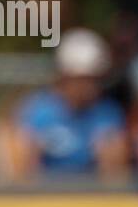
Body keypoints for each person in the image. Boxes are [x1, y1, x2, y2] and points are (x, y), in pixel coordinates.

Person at [9, 28, 128, 178]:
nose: (89, 86)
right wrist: (30, 153)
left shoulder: (108, 114)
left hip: (92, 198)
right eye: (83, 79)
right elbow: (20, 172)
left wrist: (109, 157)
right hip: (45, 197)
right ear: (64, 76)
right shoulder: (36, 111)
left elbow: (116, 176)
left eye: (94, 79)